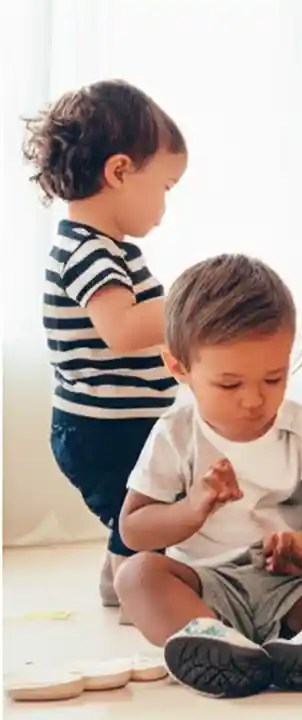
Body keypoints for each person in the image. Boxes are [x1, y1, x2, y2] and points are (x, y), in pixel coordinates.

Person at [113, 255, 302, 697]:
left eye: (274, 378)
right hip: (207, 585)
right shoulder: (174, 433)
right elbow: (134, 528)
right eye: (230, 384)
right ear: (179, 368)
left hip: (295, 585)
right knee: (136, 575)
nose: (254, 400)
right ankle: (215, 641)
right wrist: (191, 509)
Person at [23, 79, 188, 610]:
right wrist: (190, 302)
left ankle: (121, 577)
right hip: (104, 429)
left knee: (139, 509)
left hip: (114, 422)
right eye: (165, 186)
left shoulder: (105, 249)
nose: (165, 206)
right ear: (119, 172)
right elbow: (121, 331)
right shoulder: (89, 252)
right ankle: (137, 594)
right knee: (143, 512)